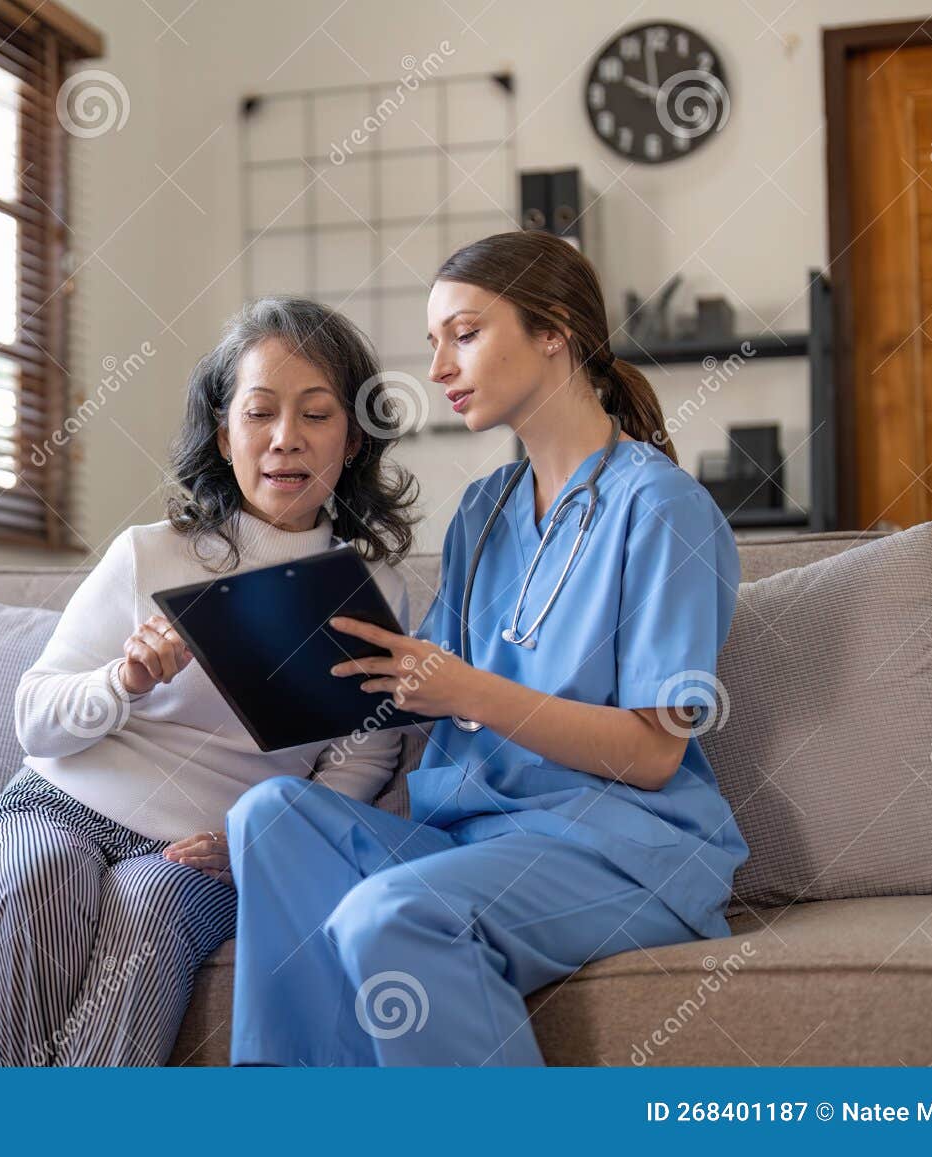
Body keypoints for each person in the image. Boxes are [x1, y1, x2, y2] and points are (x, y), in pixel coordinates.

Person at [225, 230, 751, 1066]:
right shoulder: (483, 510)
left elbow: (654, 756)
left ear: (555, 332)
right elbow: (423, 692)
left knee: (388, 913)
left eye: (464, 335)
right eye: (433, 344)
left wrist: (468, 690)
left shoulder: (661, 507)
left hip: (623, 849)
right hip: (476, 840)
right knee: (267, 816)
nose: (438, 368)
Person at [0, 297, 420, 1065]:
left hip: (206, 848)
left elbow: (361, 756)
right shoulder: (149, 552)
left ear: (354, 435)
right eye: (259, 412)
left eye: (316, 414)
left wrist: (259, 840)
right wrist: (121, 680)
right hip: (59, 804)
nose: (285, 439)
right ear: (225, 430)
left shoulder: (375, 591)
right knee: (38, 875)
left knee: (151, 905)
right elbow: (35, 720)